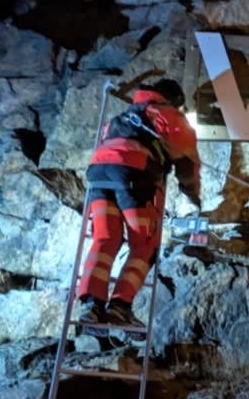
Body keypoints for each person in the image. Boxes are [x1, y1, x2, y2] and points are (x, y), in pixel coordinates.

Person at [77, 77, 201, 335]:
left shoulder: (118, 119)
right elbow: (188, 163)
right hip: (134, 177)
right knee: (144, 245)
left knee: (105, 238)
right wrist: (192, 194)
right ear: (174, 100)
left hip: (98, 177)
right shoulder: (170, 116)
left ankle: (91, 305)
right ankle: (120, 306)